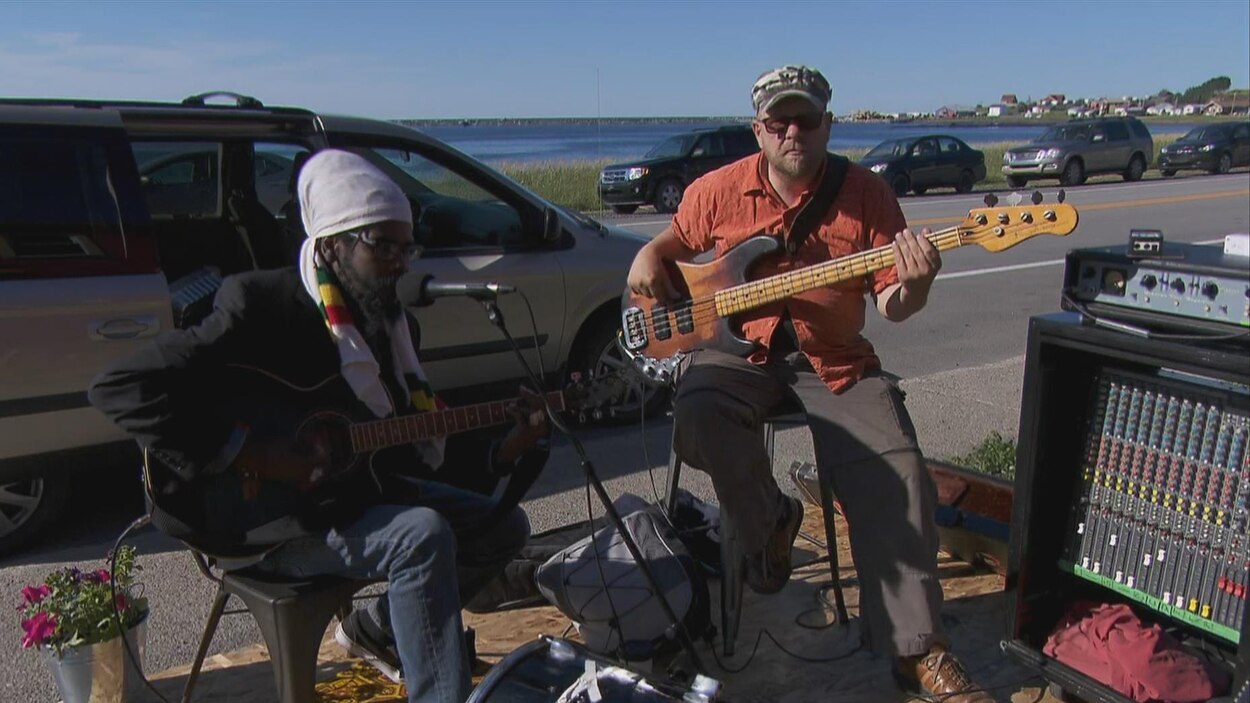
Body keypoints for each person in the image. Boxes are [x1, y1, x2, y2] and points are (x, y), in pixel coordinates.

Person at [89, 149, 546, 703]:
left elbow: (409, 453)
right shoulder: (260, 307)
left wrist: (505, 449)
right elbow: (119, 387)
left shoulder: (389, 329)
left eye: (408, 247)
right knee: (421, 535)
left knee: (504, 527)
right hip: (265, 524)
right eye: (385, 247)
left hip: (350, 501)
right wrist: (254, 455)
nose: (402, 262)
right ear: (334, 245)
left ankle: (375, 629)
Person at [626, 65, 992, 703]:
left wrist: (919, 281)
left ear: (829, 123)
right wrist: (646, 261)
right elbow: (664, 250)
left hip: (836, 358)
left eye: (807, 119)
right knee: (699, 418)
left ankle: (918, 651)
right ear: (759, 129)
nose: (793, 130)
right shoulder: (716, 190)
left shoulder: (870, 195)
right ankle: (771, 527)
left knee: (900, 471)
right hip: (737, 359)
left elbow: (896, 305)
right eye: (779, 121)